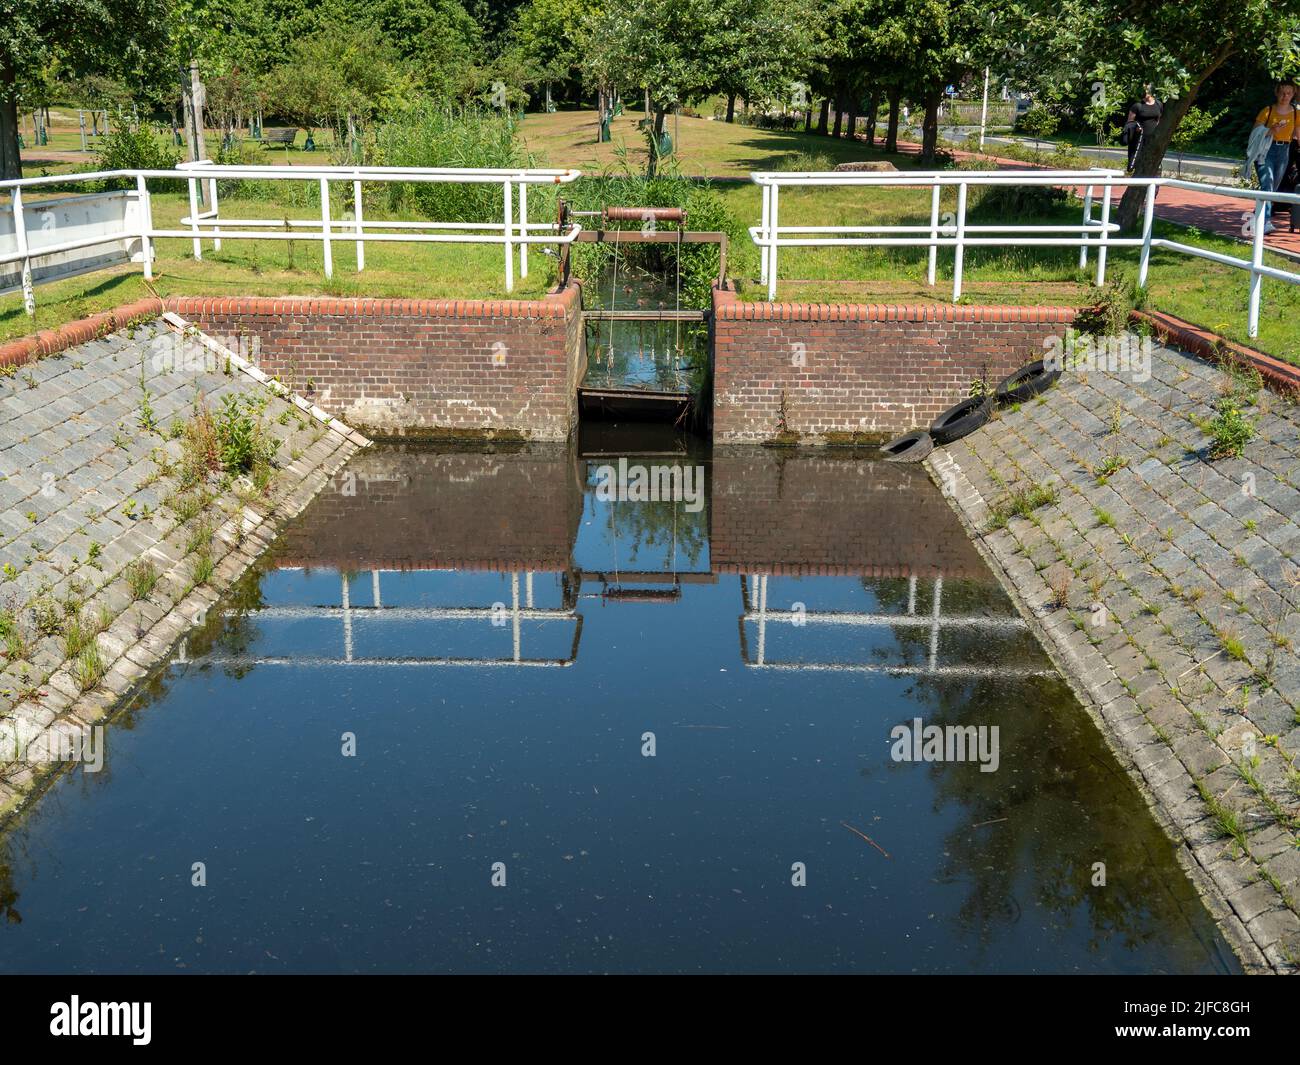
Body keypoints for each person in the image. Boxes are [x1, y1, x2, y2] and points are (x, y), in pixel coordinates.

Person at [1253, 80, 1299, 233]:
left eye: (1289, 93)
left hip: (1284, 152)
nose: (1285, 96)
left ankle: (1258, 217)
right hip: (1266, 150)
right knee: (1268, 185)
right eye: (1282, 92)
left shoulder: (1296, 112)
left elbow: (1298, 133)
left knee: (1272, 188)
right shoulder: (1267, 110)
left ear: (1293, 94)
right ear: (1277, 93)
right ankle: (1265, 223)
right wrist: (1270, 130)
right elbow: (1255, 132)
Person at [1125, 86, 1162, 171]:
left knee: (1151, 159)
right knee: (1136, 160)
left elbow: (1158, 120)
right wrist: (1136, 128)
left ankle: (1152, 180)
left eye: (1147, 91)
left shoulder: (1158, 104)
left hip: (1153, 138)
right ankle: (1137, 178)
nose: (1145, 93)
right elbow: (1129, 123)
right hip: (1139, 138)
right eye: (1143, 91)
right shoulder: (1137, 106)